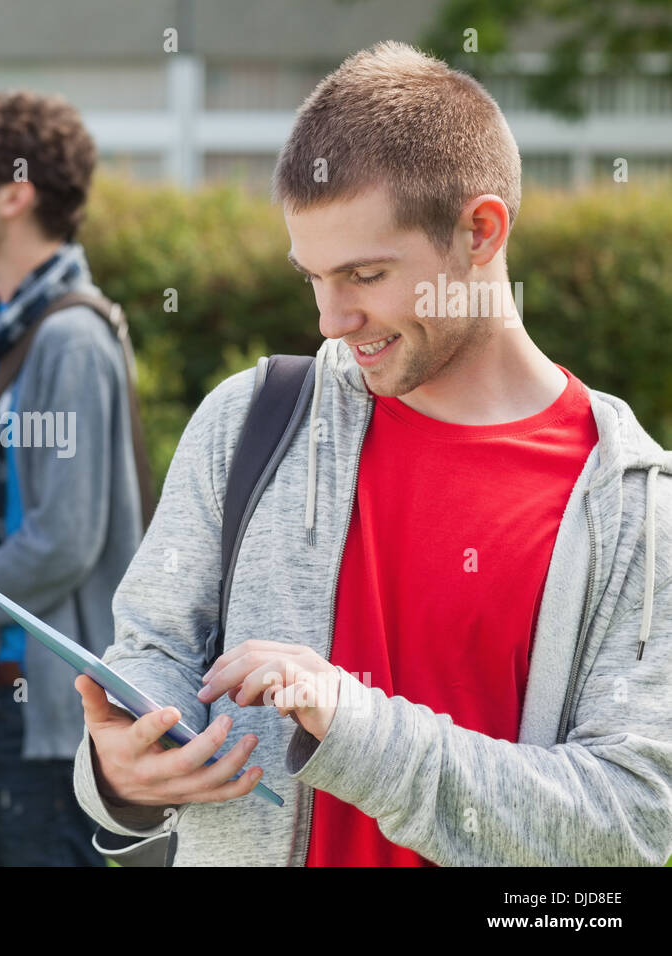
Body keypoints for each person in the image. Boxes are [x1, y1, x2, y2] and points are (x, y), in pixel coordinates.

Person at [73, 41, 672, 866]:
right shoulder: (248, 422)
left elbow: (631, 822)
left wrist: (355, 725)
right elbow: (154, 652)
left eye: (364, 273)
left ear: (481, 231)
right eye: (311, 277)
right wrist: (126, 772)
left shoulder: (634, 506)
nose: (331, 319)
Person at [0, 91, 145, 866]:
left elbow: (62, 544)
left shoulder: (68, 341)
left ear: (14, 194)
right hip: (12, 700)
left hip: (52, 719)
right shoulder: (9, 331)